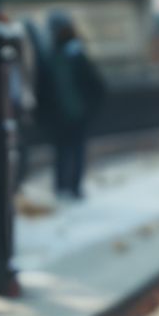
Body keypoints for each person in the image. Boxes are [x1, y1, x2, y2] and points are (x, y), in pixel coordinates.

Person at [35, 11, 106, 199]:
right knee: (66, 150)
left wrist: (87, 108)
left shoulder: (73, 53)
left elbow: (95, 85)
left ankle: (71, 187)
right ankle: (64, 186)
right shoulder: (54, 53)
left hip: (75, 112)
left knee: (72, 150)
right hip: (63, 113)